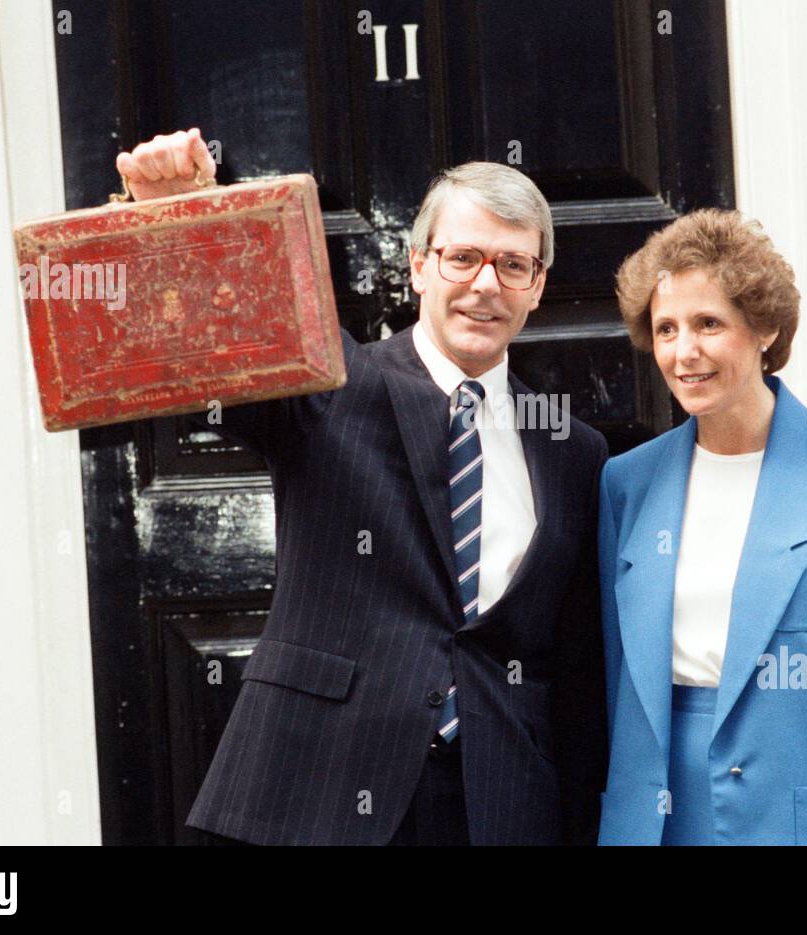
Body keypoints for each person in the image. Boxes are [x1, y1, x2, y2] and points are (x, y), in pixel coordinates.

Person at [115, 130, 609, 845]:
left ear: (537, 285)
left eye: (512, 265)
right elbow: (213, 347)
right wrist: (179, 213)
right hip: (319, 784)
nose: (484, 284)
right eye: (463, 257)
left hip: (498, 802)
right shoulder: (333, 379)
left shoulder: (575, 450)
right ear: (418, 266)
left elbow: (575, 669)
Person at [596, 208, 807, 845]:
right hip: (659, 819)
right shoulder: (626, 484)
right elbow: (618, 690)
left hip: (801, 820)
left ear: (765, 328)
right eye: (666, 329)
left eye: (708, 324)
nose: (684, 351)